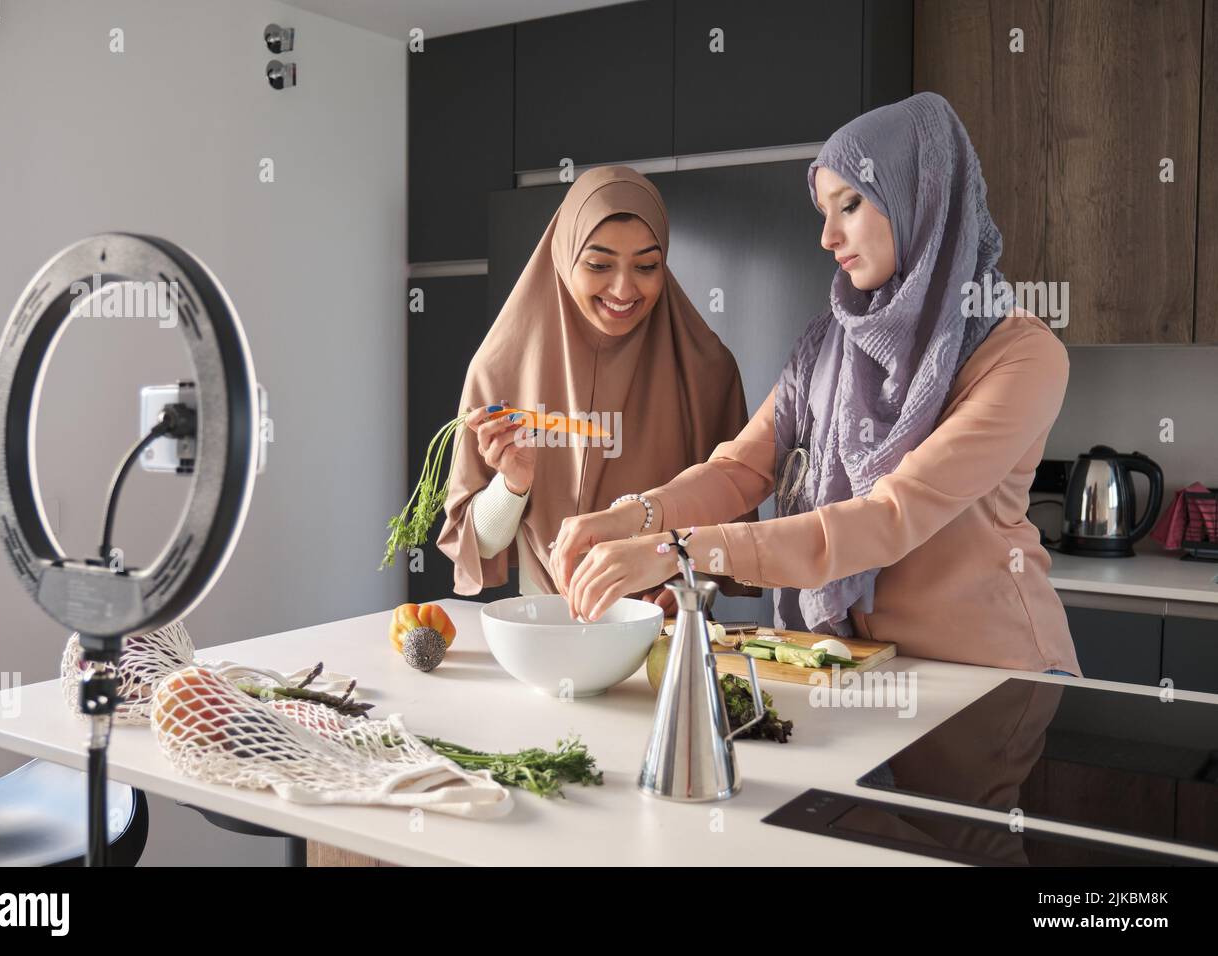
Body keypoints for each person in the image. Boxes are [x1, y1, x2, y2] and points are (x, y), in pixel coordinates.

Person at [551, 93, 1081, 676]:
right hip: (852, 667)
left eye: (849, 204)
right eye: (823, 212)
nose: (828, 237)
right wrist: (629, 517)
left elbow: (891, 514)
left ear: (920, 197)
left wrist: (673, 552)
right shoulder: (830, 344)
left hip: (993, 681)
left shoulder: (1021, 354)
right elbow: (739, 471)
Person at [437, 165, 758, 612]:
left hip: (666, 631)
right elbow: (481, 545)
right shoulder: (498, 369)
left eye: (647, 266)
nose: (624, 289)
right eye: (599, 265)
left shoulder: (707, 370)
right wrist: (513, 484)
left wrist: (688, 574)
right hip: (548, 628)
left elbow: (733, 514)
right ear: (565, 256)